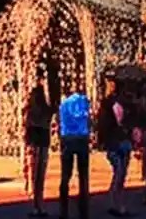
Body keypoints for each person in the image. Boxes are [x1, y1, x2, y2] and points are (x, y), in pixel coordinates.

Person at [56, 80, 91, 219]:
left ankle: (63, 210)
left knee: (65, 175)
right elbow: (88, 118)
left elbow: (61, 121)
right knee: (83, 175)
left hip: (67, 139)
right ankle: (83, 210)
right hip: (81, 138)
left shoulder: (64, 103)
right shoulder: (84, 101)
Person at [97, 80, 132, 217]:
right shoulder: (112, 105)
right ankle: (116, 203)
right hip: (116, 140)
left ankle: (116, 203)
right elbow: (116, 123)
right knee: (120, 173)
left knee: (120, 173)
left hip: (118, 140)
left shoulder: (113, 104)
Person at [23, 77, 55, 217]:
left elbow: (28, 129)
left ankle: (37, 205)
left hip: (37, 144)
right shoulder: (44, 111)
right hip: (41, 143)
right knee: (39, 176)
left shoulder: (32, 111)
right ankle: (38, 204)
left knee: (36, 176)